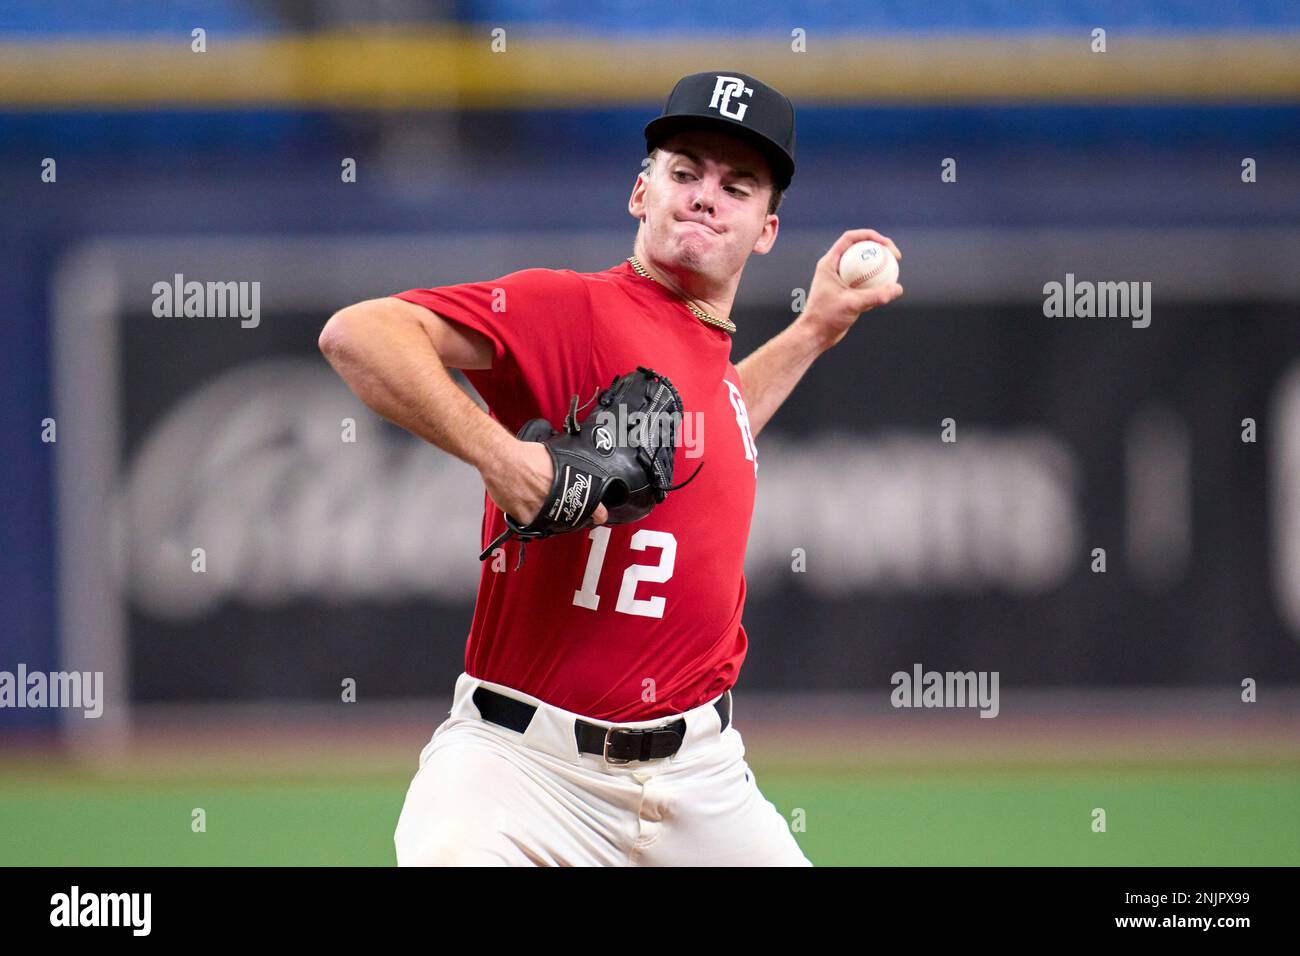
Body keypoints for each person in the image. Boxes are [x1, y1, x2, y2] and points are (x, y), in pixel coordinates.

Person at [318, 70, 903, 866]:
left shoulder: (705, 359)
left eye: (737, 186)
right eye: (684, 171)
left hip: (702, 780)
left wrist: (811, 332)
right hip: (523, 771)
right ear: (641, 193)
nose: (705, 195)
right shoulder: (571, 309)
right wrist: (505, 458)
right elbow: (360, 335)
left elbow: (712, 434)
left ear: (766, 230)